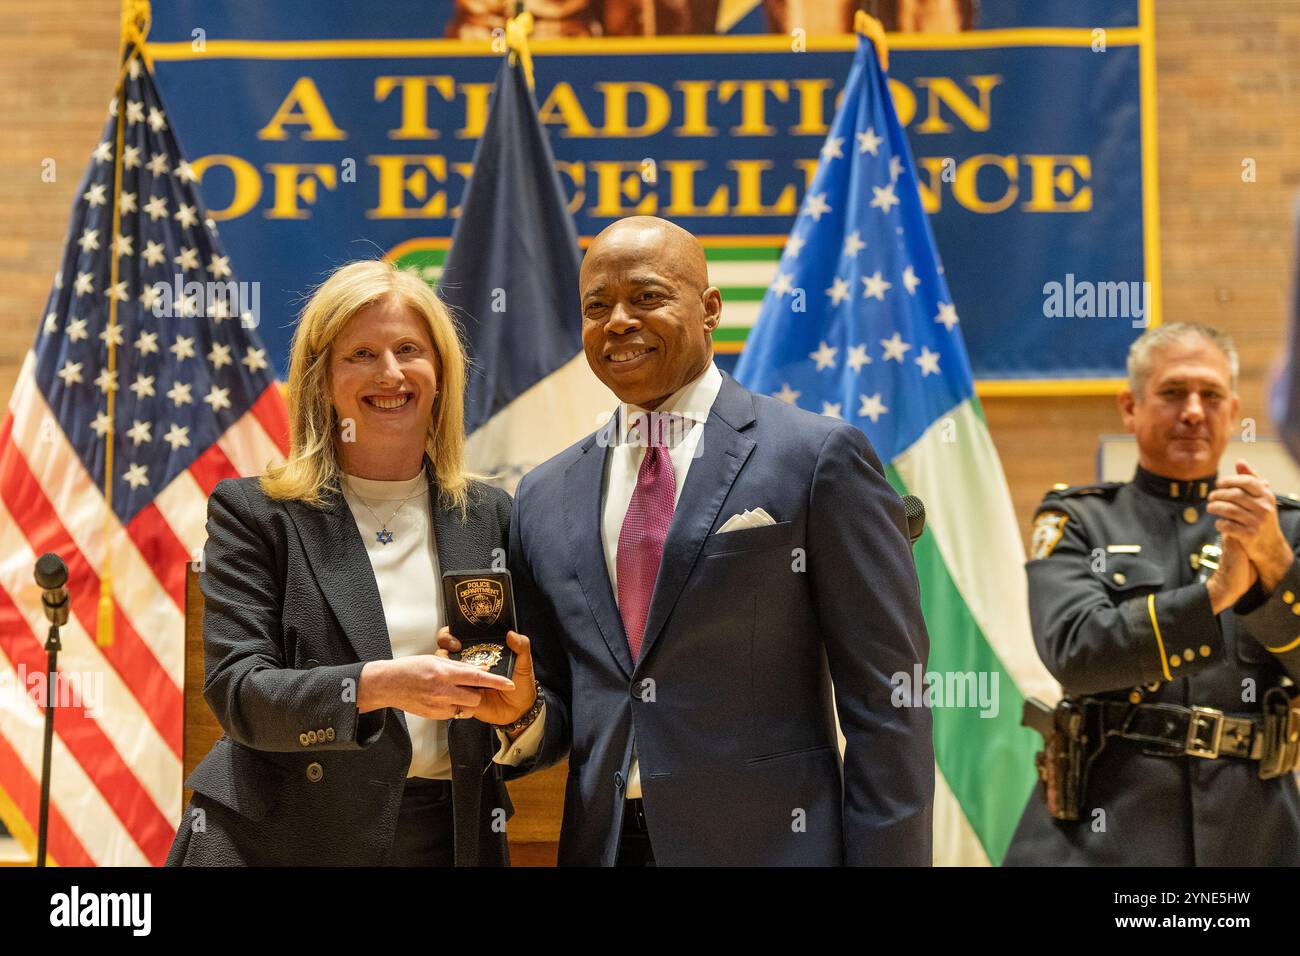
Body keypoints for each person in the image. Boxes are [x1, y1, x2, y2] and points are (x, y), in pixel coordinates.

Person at [444, 216, 934, 865]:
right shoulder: (543, 493)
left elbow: (888, 701)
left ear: (709, 310)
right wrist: (523, 713)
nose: (618, 320)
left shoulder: (816, 458)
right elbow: (568, 702)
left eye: (646, 296)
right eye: (597, 307)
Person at [166, 260, 541, 867]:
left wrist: (521, 713)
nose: (390, 373)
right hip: (284, 840)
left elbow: (541, 699)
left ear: (440, 374)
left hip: (448, 837)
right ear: (321, 381)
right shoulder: (256, 513)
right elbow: (240, 693)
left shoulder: (492, 515)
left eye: (409, 349)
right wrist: (381, 684)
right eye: (361, 354)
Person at [1005, 322, 1300, 865]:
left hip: (1256, 833)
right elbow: (1075, 653)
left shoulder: (1281, 530)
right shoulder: (1078, 518)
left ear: (1233, 412)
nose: (1193, 411)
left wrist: (1277, 564)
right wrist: (1211, 597)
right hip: (1105, 829)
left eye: (1211, 395)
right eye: (1172, 392)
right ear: (1129, 406)